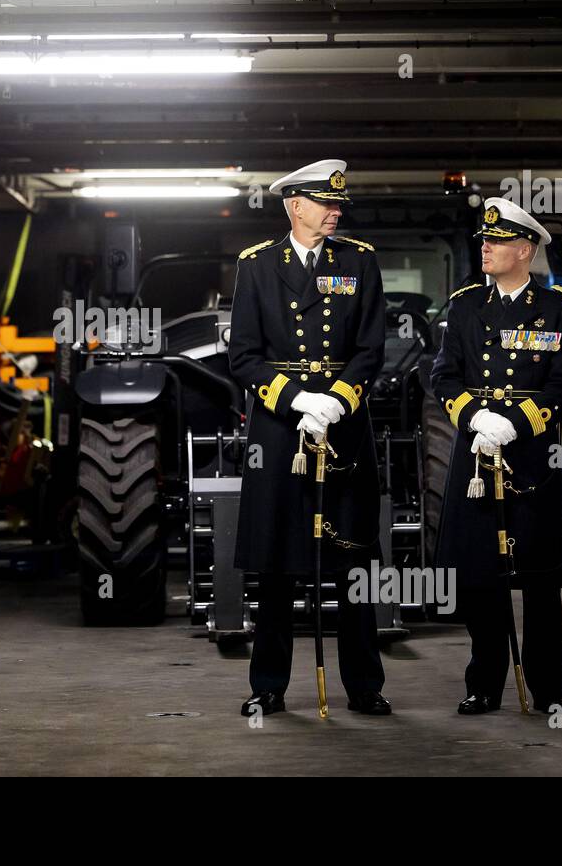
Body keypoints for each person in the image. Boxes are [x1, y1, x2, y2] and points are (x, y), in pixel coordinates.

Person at [228, 158, 390, 717]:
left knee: (355, 562)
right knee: (276, 561)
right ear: (295, 206)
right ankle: (269, 684)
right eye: (325, 202)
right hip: (279, 428)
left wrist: (336, 399)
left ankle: (365, 686)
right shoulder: (257, 266)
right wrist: (297, 399)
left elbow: (372, 346)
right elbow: (242, 355)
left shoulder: (358, 262)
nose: (335, 211)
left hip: (344, 423)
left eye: (338, 202)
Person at [430, 196, 562, 716]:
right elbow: (444, 376)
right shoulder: (466, 304)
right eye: (484, 242)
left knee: (539, 579)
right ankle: (484, 684)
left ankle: (548, 688)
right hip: (476, 454)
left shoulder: (560, 308)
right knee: (480, 576)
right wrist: (476, 417)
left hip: (533, 459)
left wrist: (513, 422)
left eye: (496, 243)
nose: (486, 249)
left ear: (524, 250)